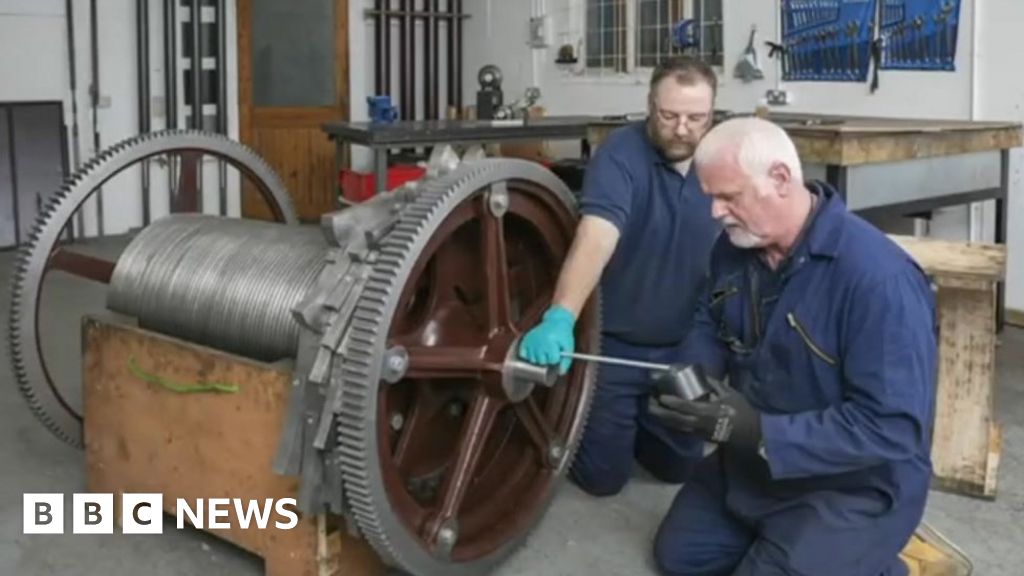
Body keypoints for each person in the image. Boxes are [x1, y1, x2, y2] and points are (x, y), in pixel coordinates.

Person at [647, 117, 938, 575]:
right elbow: (709, 319)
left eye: (729, 196)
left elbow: (893, 428)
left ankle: (869, 558)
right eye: (711, 197)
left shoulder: (879, 280)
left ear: (780, 179)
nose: (716, 212)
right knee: (681, 557)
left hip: (852, 486)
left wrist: (761, 432)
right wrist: (692, 380)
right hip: (753, 468)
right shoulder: (733, 248)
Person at [518, 56, 722, 496]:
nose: (681, 129)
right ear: (650, 105)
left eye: (696, 118)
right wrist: (561, 316)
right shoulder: (620, 154)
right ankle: (577, 413)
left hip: (685, 345)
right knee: (603, 479)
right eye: (669, 115)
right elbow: (597, 234)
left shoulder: (722, 157)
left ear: (713, 114)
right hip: (613, 344)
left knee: (678, 469)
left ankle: (641, 419)